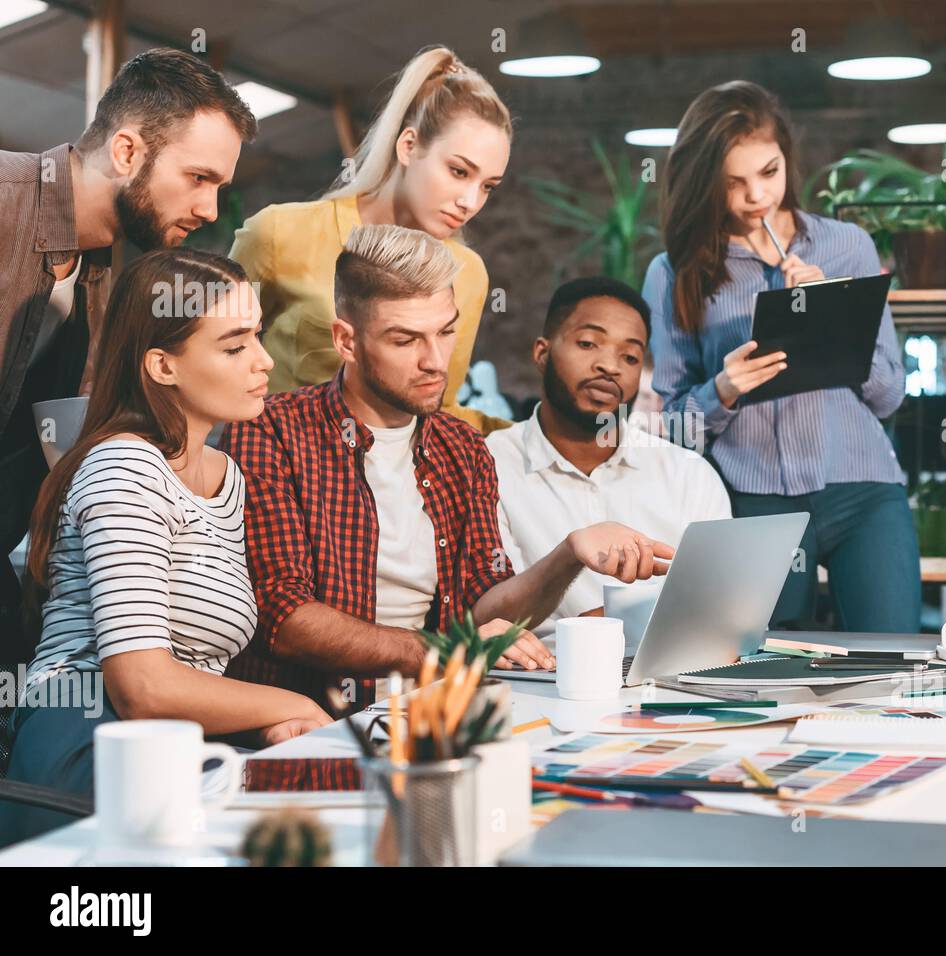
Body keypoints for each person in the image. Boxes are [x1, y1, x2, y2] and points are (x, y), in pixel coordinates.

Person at [222, 225, 673, 708]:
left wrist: (567, 555)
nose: (436, 361)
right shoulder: (271, 430)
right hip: (314, 722)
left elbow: (484, 608)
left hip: (441, 717)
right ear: (347, 341)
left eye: (446, 331)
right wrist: (448, 651)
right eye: (405, 340)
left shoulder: (463, 447)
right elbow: (285, 619)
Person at [0, 250, 331, 845]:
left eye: (256, 336)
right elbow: (143, 684)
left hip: (176, 746)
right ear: (162, 365)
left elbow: (193, 677)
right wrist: (290, 705)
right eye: (234, 347)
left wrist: (268, 724)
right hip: (88, 745)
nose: (263, 361)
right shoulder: (124, 466)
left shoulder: (227, 478)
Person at [0, 48, 255, 668]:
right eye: (199, 179)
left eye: (220, 187)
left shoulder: (109, 283)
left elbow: (63, 441)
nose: (210, 210)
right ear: (125, 152)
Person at [644, 81, 921, 633]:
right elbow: (674, 432)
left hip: (863, 488)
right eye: (733, 183)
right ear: (705, 183)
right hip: (754, 502)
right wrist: (722, 389)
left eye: (769, 172)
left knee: (895, 659)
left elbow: (890, 396)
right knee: (762, 679)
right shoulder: (673, 273)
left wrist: (835, 317)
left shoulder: (849, 247)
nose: (756, 196)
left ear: (787, 160)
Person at [230, 45, 511, 434]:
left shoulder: (468, 273)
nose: (471, 202)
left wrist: (539, 440)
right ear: (408, 146)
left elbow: (440, 407)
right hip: (276, 470)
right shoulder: (279, 234)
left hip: (396, 483)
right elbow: (209, 354)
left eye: (488, 187)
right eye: (459, 171)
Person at [487, 277, 731, 635]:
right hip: (540, 678)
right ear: (541, 353)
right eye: (588, 343)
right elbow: (483, 616)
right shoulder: (487, 464)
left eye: (630, 356)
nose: (610, 366)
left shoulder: (688, 473)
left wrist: (613, 621)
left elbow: (725, 605)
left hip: (667, 675)